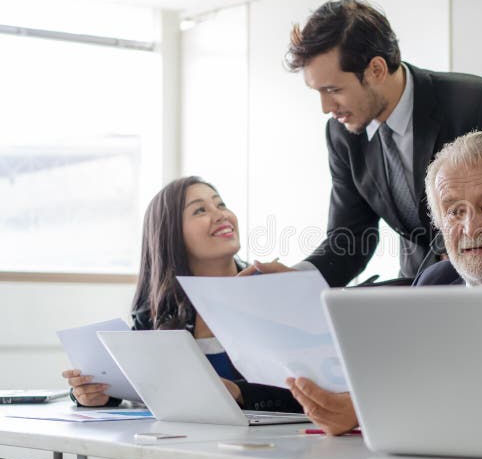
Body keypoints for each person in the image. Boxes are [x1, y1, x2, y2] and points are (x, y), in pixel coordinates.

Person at [286, 131, 482, 435]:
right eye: (455, 212)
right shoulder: (434, 282)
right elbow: (401, 376)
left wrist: (368, 410)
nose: (471, 227)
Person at [254, 0, 482, 286]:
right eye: (317, 92)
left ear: (376, 69)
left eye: (333, 90)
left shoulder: (475, 101)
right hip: (418, 287)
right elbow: (350, 237)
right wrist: (295, 280)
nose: (325, 107)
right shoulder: (341, 134)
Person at [62, 176, 302, 411]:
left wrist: (238, 392)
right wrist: (94, 393)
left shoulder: (273, 290)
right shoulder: (156, 311)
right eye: (200, 210)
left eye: (221, 204)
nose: (221, 215)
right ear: (171, 234)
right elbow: (134, 381)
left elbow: (325, 391)